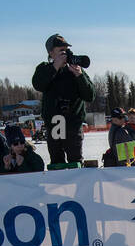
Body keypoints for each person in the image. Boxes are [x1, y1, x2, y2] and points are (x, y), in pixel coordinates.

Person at [32, 33, 95, 166]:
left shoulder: (75, 70)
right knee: (57, 162)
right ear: (51, 53)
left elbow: (90, 95)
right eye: (60, 50)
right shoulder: (44, 68)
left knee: (75, 161)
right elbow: (38, 84)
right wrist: (55, 67)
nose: (64, 53)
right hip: (55, 123)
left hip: (73, 124)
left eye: (65, 50)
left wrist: (79, 76)